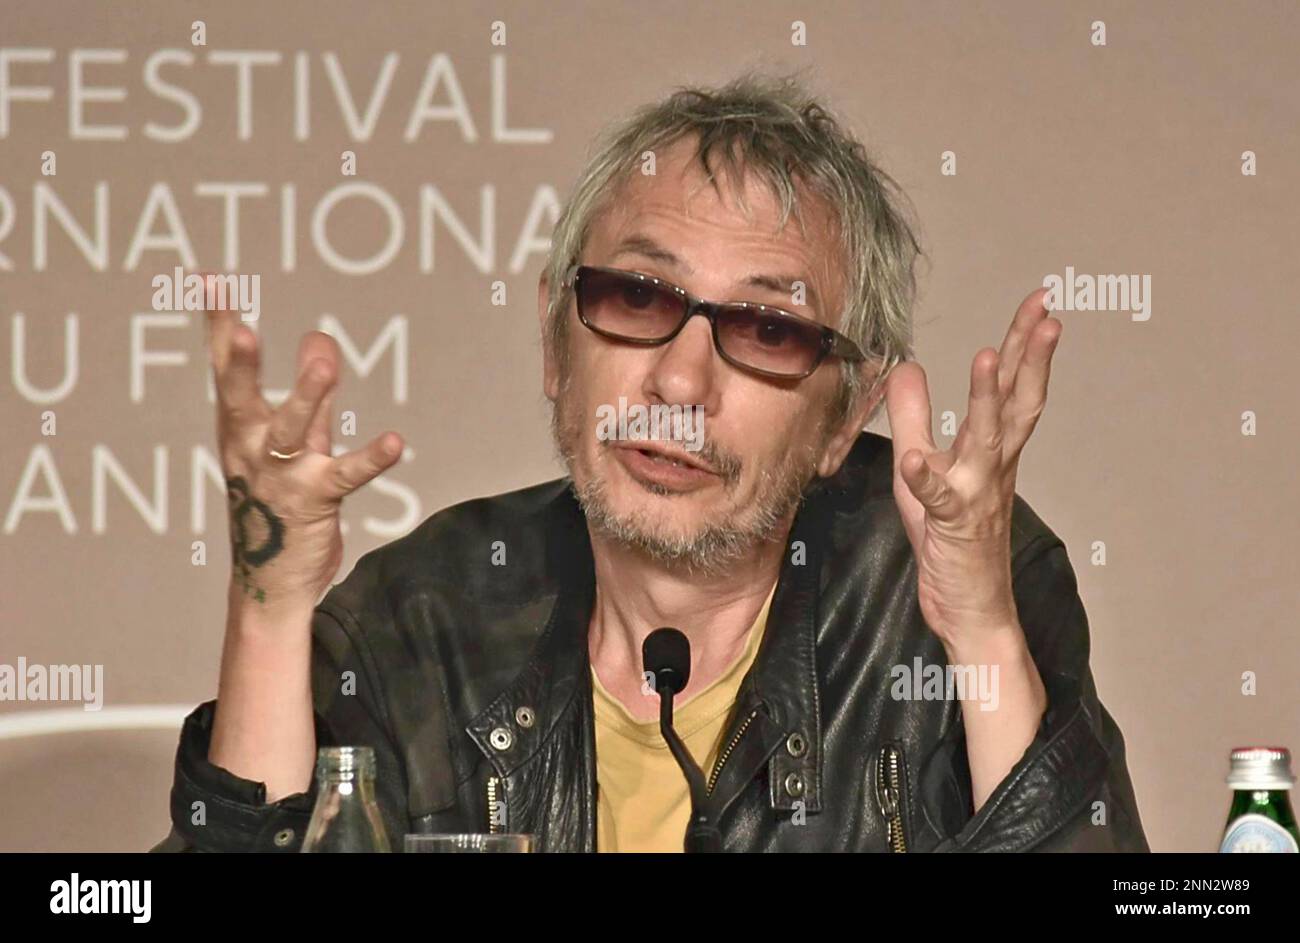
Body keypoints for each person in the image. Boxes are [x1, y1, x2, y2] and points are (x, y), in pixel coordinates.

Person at [154, 72, 1148, 853]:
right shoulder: (423, 618)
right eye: (637, 298)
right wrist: (273, 609)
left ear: (844, 414)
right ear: (554, 341)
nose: (679, 383)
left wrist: (978, 632)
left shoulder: (941, 586)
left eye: (764, 326)